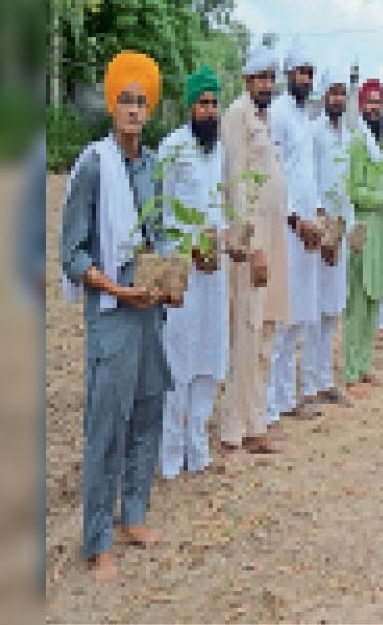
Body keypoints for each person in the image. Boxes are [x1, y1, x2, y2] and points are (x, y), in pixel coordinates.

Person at [60, 51, 172, 581]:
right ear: (112, 104)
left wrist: (169, 280)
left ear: (150, 107)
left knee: (148, 412)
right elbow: (73, 254)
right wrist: (118, 290)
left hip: (149, 314)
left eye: (141, 99)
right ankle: (97, 540)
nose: (133, 108)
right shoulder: (93, 164)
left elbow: (160, 238)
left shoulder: (152, 166)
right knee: (107, 425)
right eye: (125, 99)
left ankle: (132, 517)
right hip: (112, 315)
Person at [158, 66, 228, 479]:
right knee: (179, 356)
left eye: (214, 102)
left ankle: (198, 448)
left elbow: (222, 206)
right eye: (203, 102)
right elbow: (161, 213)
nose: (209, 109)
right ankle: (170, 455)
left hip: (214, 269)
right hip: (182, 268)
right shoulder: (172, 147)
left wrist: (220, 239)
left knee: (208, 353)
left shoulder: (221, 152)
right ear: (189, 106)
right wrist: (185, 245)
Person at [220, 46, 290, 455]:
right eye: (260, 77)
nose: (266, 84)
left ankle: (255, 421)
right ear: (247, 79)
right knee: (246, 332)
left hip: (274, 235)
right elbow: (235, 187)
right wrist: (252, 247)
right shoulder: (236, 116)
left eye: (270, 78)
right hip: (253, 242)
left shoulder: (266, 118)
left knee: (266, 331)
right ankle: (234, 429)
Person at [267, 42, 322, 428]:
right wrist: (294, 221)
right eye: (301, 72)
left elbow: (306, 174)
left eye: (310, 73)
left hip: (307, 230)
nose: (306, 79)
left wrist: (315, 214)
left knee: (299, 316)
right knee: (280, 318)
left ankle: (286, 399)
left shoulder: (305, 117)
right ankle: (268, 406)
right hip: (286, 230)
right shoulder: (278, 114)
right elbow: (276, 175)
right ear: (289, 75)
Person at [344, 79, 383, 397]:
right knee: (356, 300)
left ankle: (364, 366)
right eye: (369, 103)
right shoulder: (356, 142)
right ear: (361, 105)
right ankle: (350, 372)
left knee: (372, 295)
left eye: (378, 103)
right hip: (363, 226)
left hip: (382, 225)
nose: (374, 108)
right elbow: (352, 190)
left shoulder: (380, 145)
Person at [308, 69, 354, 406]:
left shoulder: (347, 137)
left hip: (342, 229)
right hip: (321, 230)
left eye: (342, 93)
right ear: (324, 96)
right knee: (313, 310)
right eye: (333, 92)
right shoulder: (314, 134)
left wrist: (346, 231)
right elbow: (310, 184)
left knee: (332, 309)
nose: (337, 98)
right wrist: (324, 230)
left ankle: (325, 380)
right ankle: (308, 386)